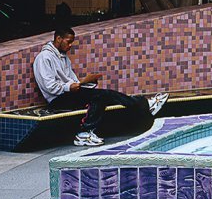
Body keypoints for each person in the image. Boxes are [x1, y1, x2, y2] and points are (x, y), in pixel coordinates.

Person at [33, 26, 169, 147]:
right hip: (57, 99)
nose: (70, 46)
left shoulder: (64, 58)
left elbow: (72, 81)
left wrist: (85, 84)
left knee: (100, 97)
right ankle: (144, 104)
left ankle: (85, 133)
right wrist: (70, 87)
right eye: (68, 42)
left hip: (69, 94)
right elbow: (49, 86)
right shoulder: (44, 58)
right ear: (58, 39)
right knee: (102, 94)